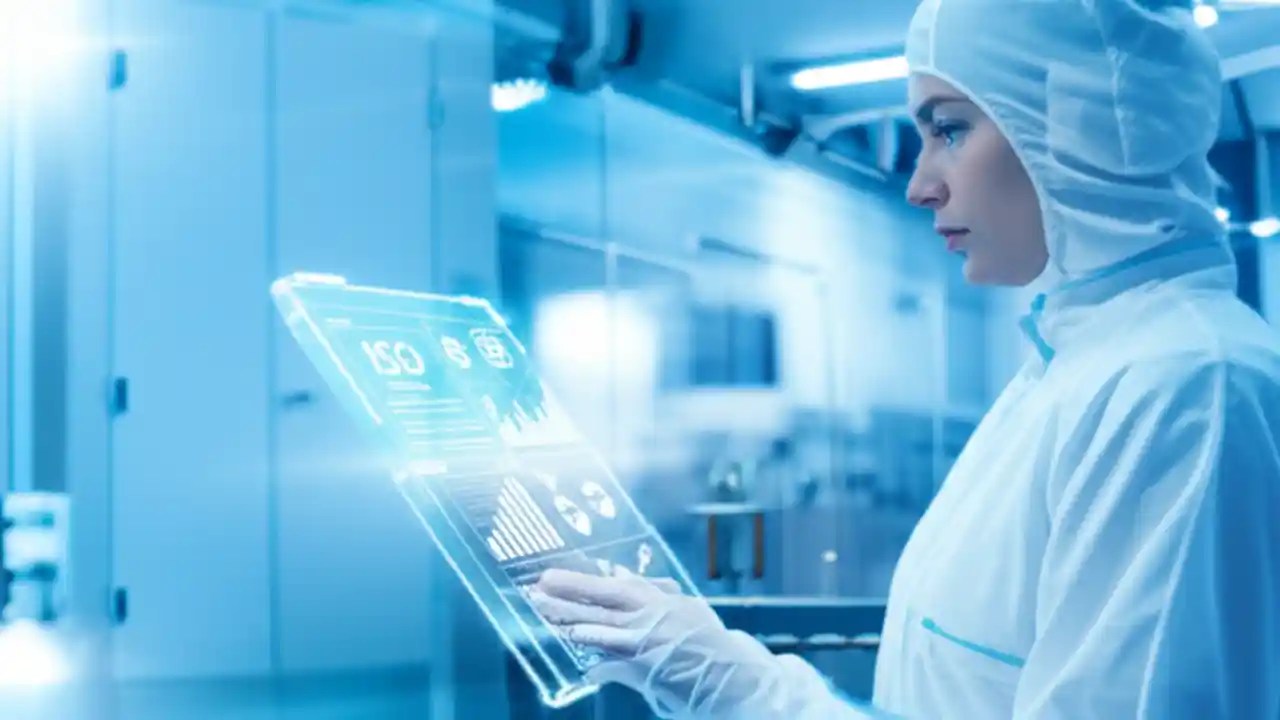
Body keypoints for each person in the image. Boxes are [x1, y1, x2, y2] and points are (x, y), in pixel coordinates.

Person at [530, 0, 1280, 716]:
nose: (921, 185)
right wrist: (726, 681)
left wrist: (740, 690)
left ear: (1080, 126)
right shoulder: (1072, 369)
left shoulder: (1184, 386)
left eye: (949, 129)